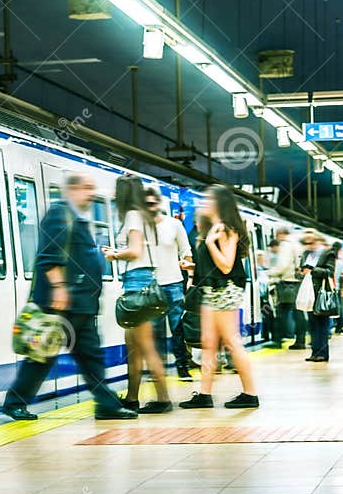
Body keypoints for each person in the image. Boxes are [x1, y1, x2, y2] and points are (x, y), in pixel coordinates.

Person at [3, 173, 137, 421]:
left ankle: (106, 404)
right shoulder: (59, 214)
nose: (91, 193)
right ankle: (14, 402)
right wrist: (60, 287)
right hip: (61, 304)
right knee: (42, 355)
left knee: (90, 357)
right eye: (87, 188)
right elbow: (48, 256)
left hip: (81, 305)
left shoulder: (78, 217)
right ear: (73, 189)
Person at [180, 185, 259, 409]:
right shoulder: (212, 228)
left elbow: (225, 266)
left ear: (218, 203)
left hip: (225, 289)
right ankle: (204, 394)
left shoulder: (225, 229)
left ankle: (250, 394)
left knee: (232, 342)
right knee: (208, 343)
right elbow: (214, 265)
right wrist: (192, 266)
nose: (203, 203)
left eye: (208, 199)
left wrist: (208, 244)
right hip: (211, 289)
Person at [104, 175, 171, 414]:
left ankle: (163, 399)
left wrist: (114, 254)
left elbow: (135, 250)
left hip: (138, 283)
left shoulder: (133, 215)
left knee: (144, 346)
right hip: (140, 281)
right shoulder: (145, 216)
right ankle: (132, 398)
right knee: (133, 345)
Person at [143, 187, 193, 382]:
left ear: (158, 204)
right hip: (151, 285)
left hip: (173, 283)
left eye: (152, 203)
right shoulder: (141, 228)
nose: (150, 207)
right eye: (146, 204)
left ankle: (182, 366)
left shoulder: (174, 225)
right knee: (154, 330)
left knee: (177, 328)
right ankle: (158, 370)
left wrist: (190, 274)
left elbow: (185, 249)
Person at [299, 231, 336, 363]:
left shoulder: (328, 254)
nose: (309, 245)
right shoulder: (305, 254)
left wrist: (313, 270)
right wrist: (301, 272)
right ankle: (314, 352)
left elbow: (329, 272)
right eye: (307, 243)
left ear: (319, 241)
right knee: (312, 324)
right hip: (308, 293)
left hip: (321, 293)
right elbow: (300, 272)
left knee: (322, 324)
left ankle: (322, 353)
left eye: (312, 242)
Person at [267, 225, 305, 350]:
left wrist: (269, 273)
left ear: (280, 234)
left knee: (281, 312)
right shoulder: (298, 244)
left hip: (287, 282)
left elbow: (283, 265)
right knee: (297, 312)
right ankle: (300, 340)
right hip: (297, 281)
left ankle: (277, 340)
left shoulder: (285, 245)